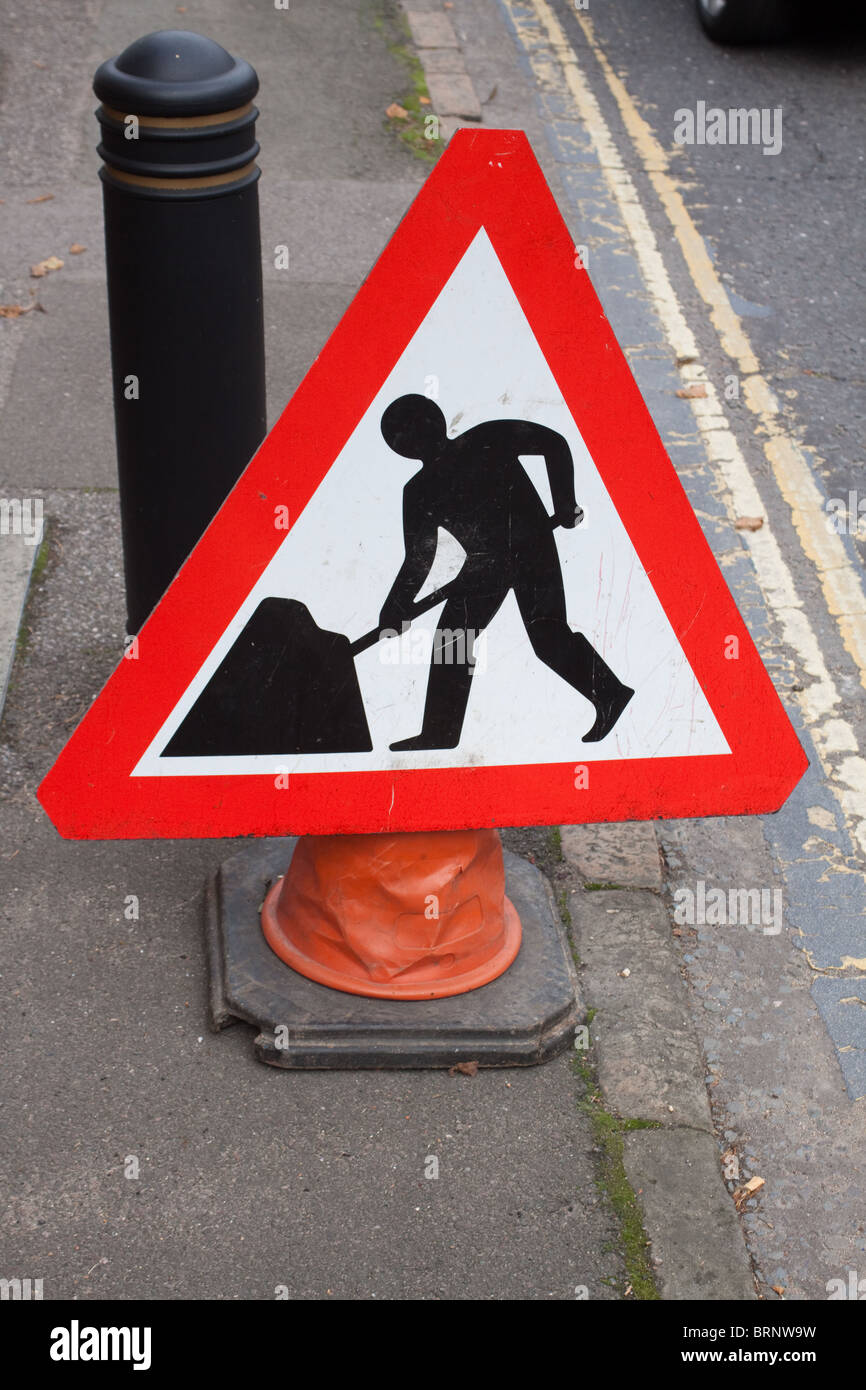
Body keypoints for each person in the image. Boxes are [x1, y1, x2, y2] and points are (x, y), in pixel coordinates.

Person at [378, 394, 634, 751]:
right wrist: (396, 605)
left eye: (412, 429)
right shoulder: (419, 490)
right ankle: (440, 732)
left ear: (435, 422)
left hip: (531, 545)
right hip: (483, 566)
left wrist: (564, 501)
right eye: (400, 436)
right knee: (453, 639)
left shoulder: (486, 438)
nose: (410, 440)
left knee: (547, 635)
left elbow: (553, 444)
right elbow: (420, 556)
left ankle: (610, 692)